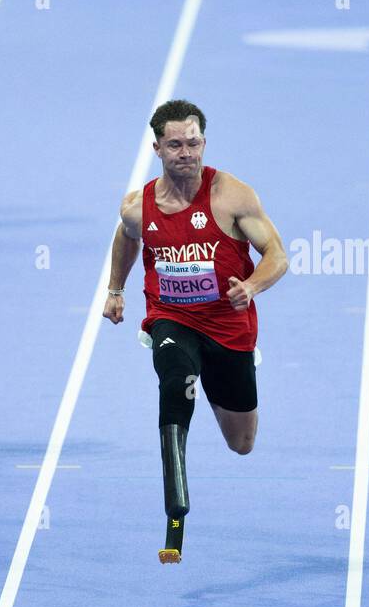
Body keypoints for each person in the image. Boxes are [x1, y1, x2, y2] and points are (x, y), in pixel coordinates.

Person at [102, 100, 288, 564]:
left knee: (241, 443)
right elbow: (127, 238)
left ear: (204, 142)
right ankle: (176, 507)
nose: (187, 153)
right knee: (174, 379)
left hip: (228, 327)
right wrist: (115, 289)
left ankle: (208, 380)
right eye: (176, 145)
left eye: (194, 143)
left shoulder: (232, 196)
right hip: (173, 318)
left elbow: (278, 255)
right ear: (157, 148)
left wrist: (251, 285)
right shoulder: (137, 207)